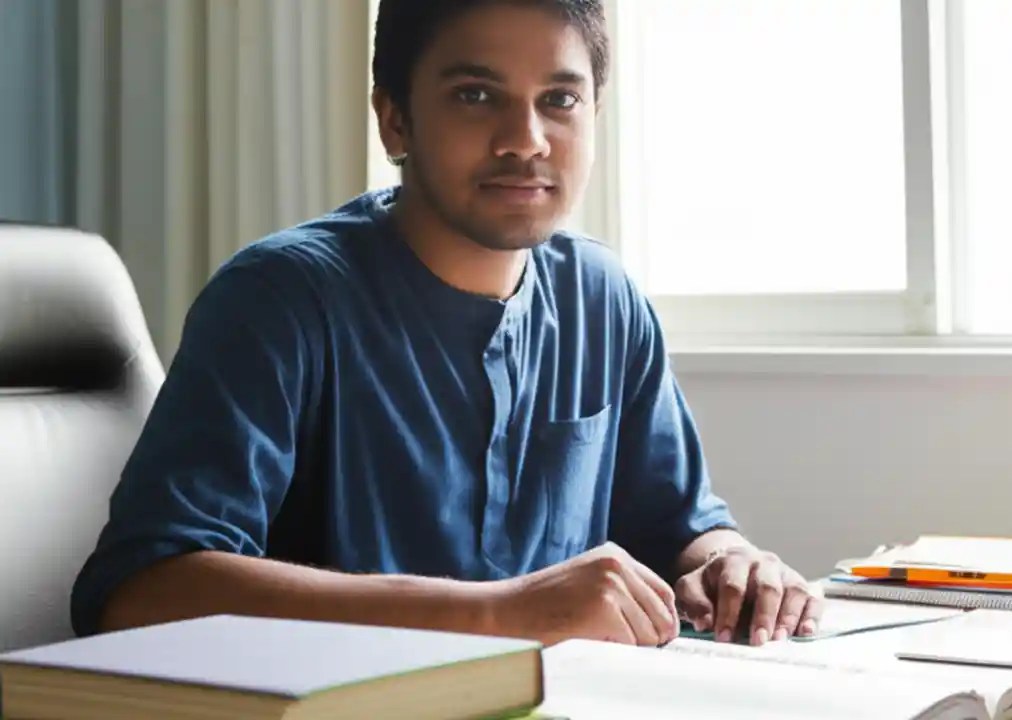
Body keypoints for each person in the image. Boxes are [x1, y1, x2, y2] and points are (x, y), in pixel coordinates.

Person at [70, 0, 822, 649]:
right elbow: (141, 591)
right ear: (394, 118)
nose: (525, 139)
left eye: (560, 100)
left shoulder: (604, 298)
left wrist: (732, 562)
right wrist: (501, 614)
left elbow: (679, 524)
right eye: (474, 94)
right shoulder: (279, 300)